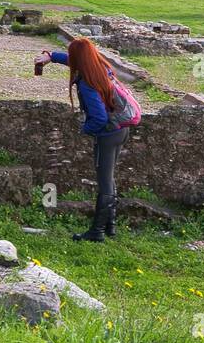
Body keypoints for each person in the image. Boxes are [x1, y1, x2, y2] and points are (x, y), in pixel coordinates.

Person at [34, 38, 134, 242]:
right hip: (121, 129)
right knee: (110, 178)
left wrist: (83, 130)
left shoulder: (87, 83)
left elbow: (99, 117)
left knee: (105, 182)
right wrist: (51, 57)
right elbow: (76, 59)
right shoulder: (100, 68)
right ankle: (110, 226)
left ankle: (96, 232)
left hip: (106, 134)